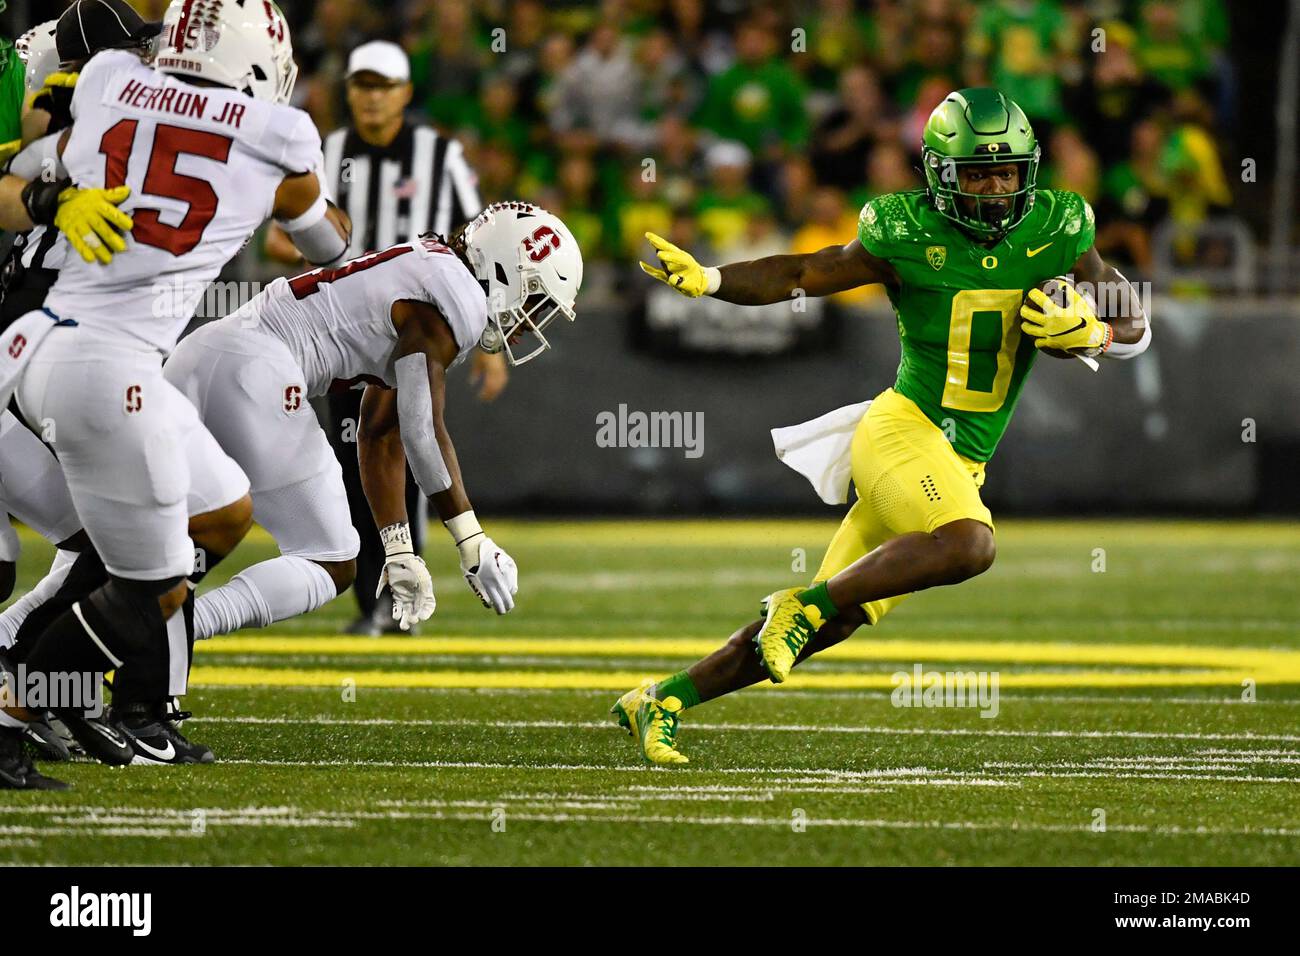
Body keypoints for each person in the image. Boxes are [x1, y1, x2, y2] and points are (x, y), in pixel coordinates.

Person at [623, 88, 1152, 765]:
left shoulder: (1059, 225)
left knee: (835, 617)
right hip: (902, 431)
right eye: (977, 174)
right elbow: (806, 270)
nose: (994, 189)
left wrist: (1097, 332)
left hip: (956, 463)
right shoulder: (904, 229)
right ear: (940, 175)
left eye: (1006, 172)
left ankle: (660, 700)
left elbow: (1131, 318)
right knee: (969, 545)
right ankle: (801, 602)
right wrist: (714, 278)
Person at [0, 0, 349, 786]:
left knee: (214, 520)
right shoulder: (279, 136)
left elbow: (31, 149)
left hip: (43, 343)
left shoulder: (110, 79)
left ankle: (55, 696)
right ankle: (24, 700)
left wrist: (44, 162)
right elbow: (324, 237)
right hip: (107, 365)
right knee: (151, 588)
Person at [165, 201, 581, 642]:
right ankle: (167, 634)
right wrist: (471, 540)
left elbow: (382, 431)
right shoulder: (454, 300)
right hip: (259, 375)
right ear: (505, 271)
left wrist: (398, 549)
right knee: (330, 559)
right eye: (535, 300)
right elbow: (422, 428)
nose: (530, 322)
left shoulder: (431, 270)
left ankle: (126, 671)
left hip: (205, 353)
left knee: (159, 524)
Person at [268, 39, 506, 635]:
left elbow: (482, 242)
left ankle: (398, 589)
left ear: (404, 93)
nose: (371, 97)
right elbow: (283, 232)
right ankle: (380, 592)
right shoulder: (330, 150)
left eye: (383, 86)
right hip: (344, 331)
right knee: (358, 456)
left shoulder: (438, 155)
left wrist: (491, 345)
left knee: (406, 440)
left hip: (416, 329)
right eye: (361, 85)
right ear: (349, 91)